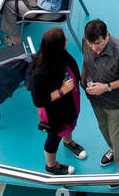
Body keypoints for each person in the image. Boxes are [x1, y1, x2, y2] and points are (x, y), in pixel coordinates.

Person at [81, 19, 119, 179]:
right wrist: (83, 79)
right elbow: (86, 58)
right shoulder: (88, 41)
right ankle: (114, 150)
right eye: (91, 44)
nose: (94, 48)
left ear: (107, 35)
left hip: (115, 103)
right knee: (104, 129)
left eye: (98, 43)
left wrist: (106, 87)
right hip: (95, 100)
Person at [26, 27, 84, 176]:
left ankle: (68, 141)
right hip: (55, 112)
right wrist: (62, 91)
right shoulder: (40, 72)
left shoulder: (60, 55)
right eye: (63, 39)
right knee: (54, 137)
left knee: (70, 121)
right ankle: (51, 165)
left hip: (69, 104)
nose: (67, 40)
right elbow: (39, 100)